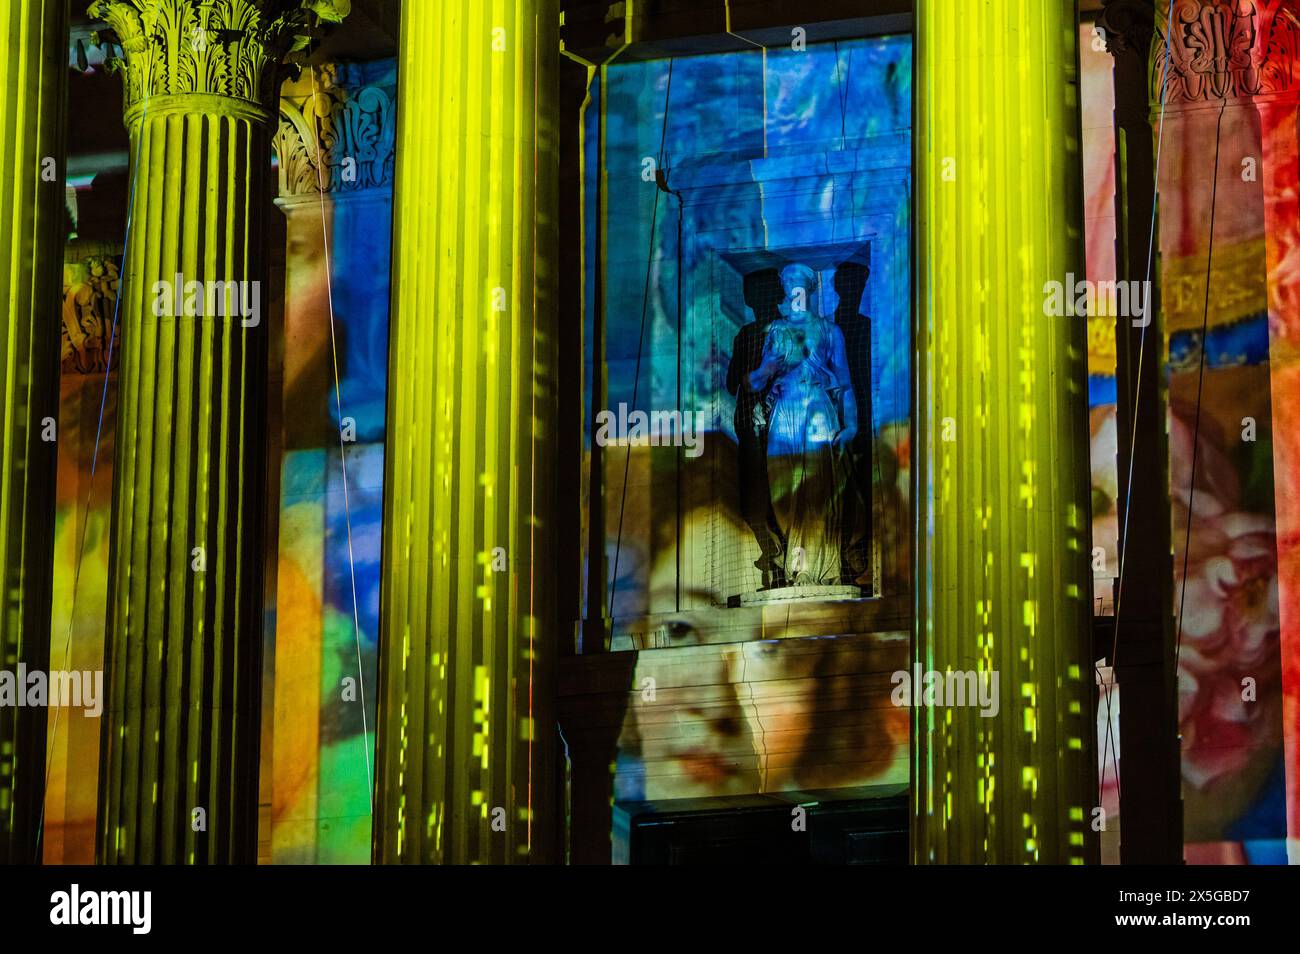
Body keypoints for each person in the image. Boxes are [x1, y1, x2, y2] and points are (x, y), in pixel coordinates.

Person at [748, 263, 862, 586]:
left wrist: (851, 424)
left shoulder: (829, 330)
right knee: (782, 489)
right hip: (784, 411)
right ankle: (794, 560)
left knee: (815, 490)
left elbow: (845, 383)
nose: (793, 290)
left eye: (798, 284)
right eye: (788, 285)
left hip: (816, 409)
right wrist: (766, 375)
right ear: (784, 291)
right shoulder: (774, 330)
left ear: (809, 290)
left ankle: (813, 569)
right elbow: (757, 381)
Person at [726, 269, 787, 589]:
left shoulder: (790, 330)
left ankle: (783, 560)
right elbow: (731, 382)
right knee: (752, 496)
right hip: (750, 425)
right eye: (752, 294)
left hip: (782, 426)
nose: (757, 300)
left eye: (763, 292)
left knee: (778, 493)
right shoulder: (746, 334)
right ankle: (771, 551)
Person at [832, 261, 874, 588]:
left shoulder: (869, 327)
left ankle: (858, 559)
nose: (854, 291)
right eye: (848, 285)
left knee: (863, 489)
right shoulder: (827, 326)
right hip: (833, 420)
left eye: (858, 285)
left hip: (865, 417)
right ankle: (841, 561)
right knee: (838, 493)